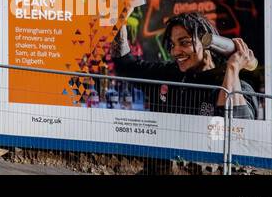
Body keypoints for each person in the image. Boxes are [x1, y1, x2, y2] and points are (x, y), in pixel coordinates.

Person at [111, 10, 258, 119]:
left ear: (207, 43)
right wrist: (119, 17)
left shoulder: (238, 86)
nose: (175, 51)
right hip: (162, 159)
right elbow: (125, 65)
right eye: (172, 45)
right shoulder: (168, 74)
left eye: (184, 43)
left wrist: (232, 68)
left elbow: (236, 130)